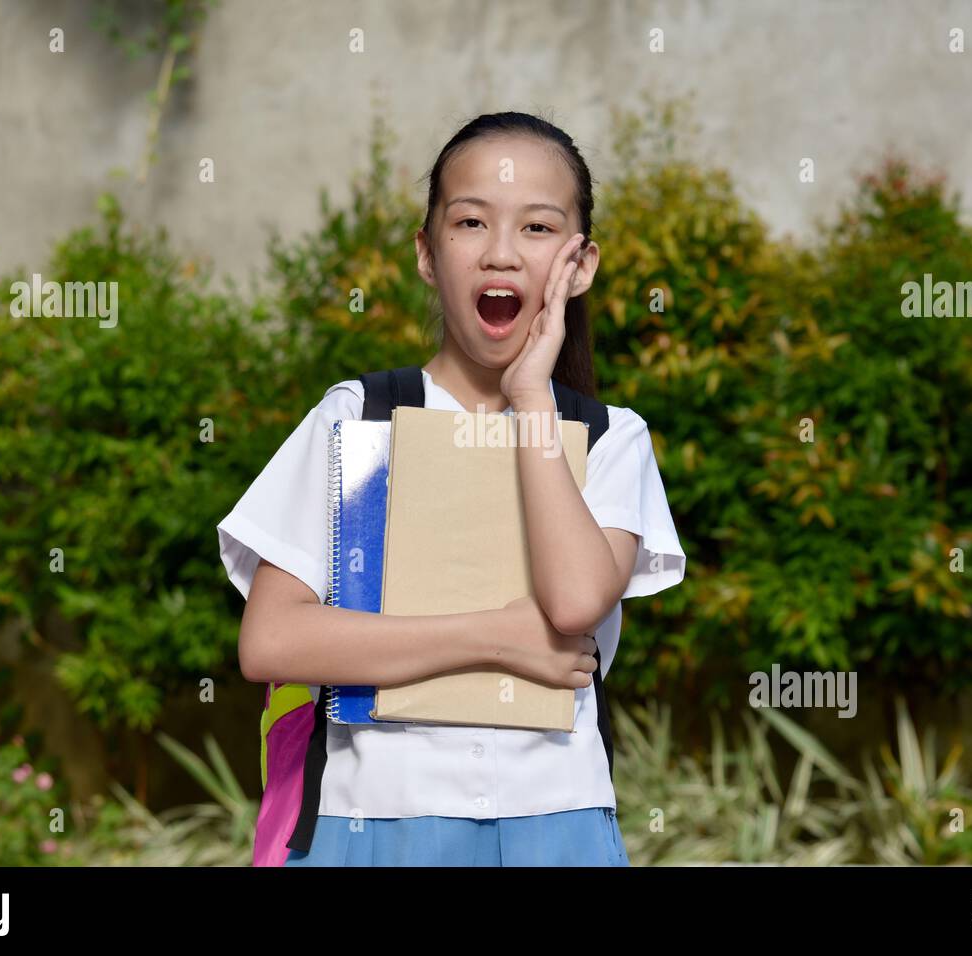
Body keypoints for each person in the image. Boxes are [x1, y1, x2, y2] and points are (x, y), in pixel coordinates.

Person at [218, 111, 686, 866]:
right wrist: (493, 637)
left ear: (582, 263)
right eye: (470, 222)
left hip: (557, 824)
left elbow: (572, 605)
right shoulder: (361, 420)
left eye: (537, 228)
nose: (501, 253)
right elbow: (273, 640)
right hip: (370, 822)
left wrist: (534, 397)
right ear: (429, 253)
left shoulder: (608, 438)